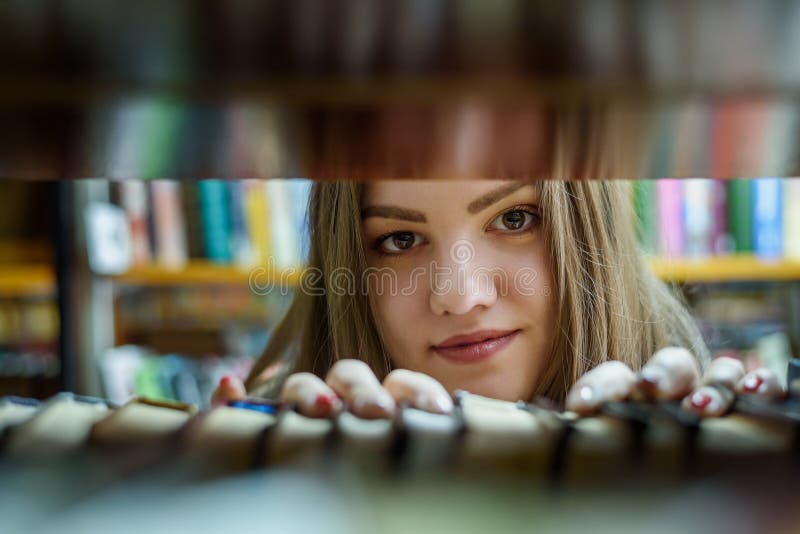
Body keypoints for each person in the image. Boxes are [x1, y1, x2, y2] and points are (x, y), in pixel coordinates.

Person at [212, 179, 784, 418]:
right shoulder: (288, 464)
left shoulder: (714, 450)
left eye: (514, 218)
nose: (461, 297)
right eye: (399, 239)